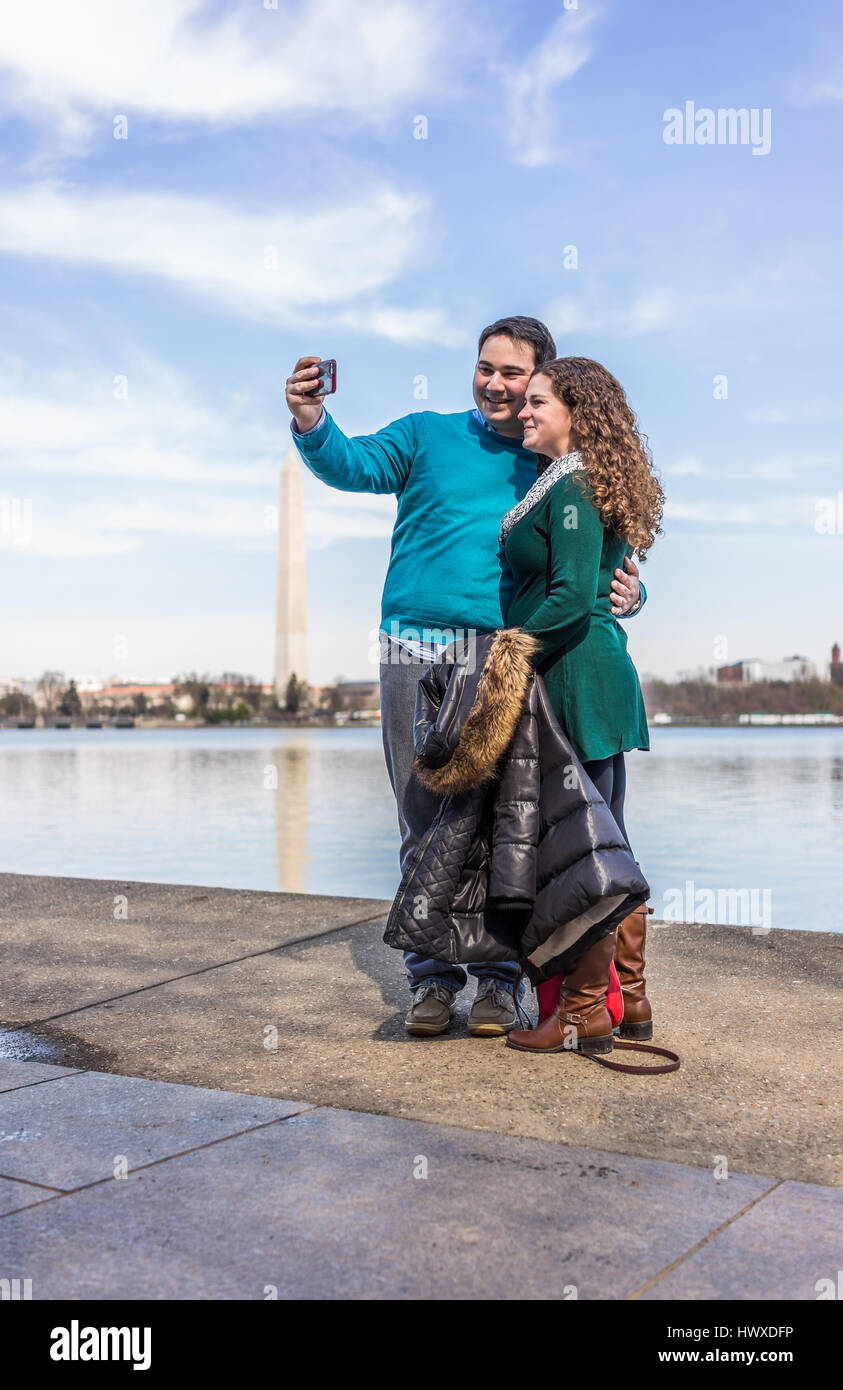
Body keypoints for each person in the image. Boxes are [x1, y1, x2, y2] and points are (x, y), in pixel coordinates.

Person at [285, 319, 646, 1038]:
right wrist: (310, 420)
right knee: (422, 817)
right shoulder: (426, 435)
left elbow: (602, 560)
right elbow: (350, 465)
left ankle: (496, 982)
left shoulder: (553, 457)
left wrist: (636, 595)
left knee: (506, 826)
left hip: (505, 659)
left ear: (544, 382)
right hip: (409, 653)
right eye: (485, 367)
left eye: (513, 374)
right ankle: (429, 979)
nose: (495, 384)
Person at [499, 356, 664, 1054]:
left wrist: (503, 663)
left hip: (573, 673)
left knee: (576, 848)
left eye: (538, 401)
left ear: (576, 412)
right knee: (602, 838)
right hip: (590, 669)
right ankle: (625, 999)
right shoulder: (579, 480)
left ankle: (580, 1011)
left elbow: (570, 597)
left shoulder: (571, 484)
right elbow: (601, 582)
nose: (524, 412)